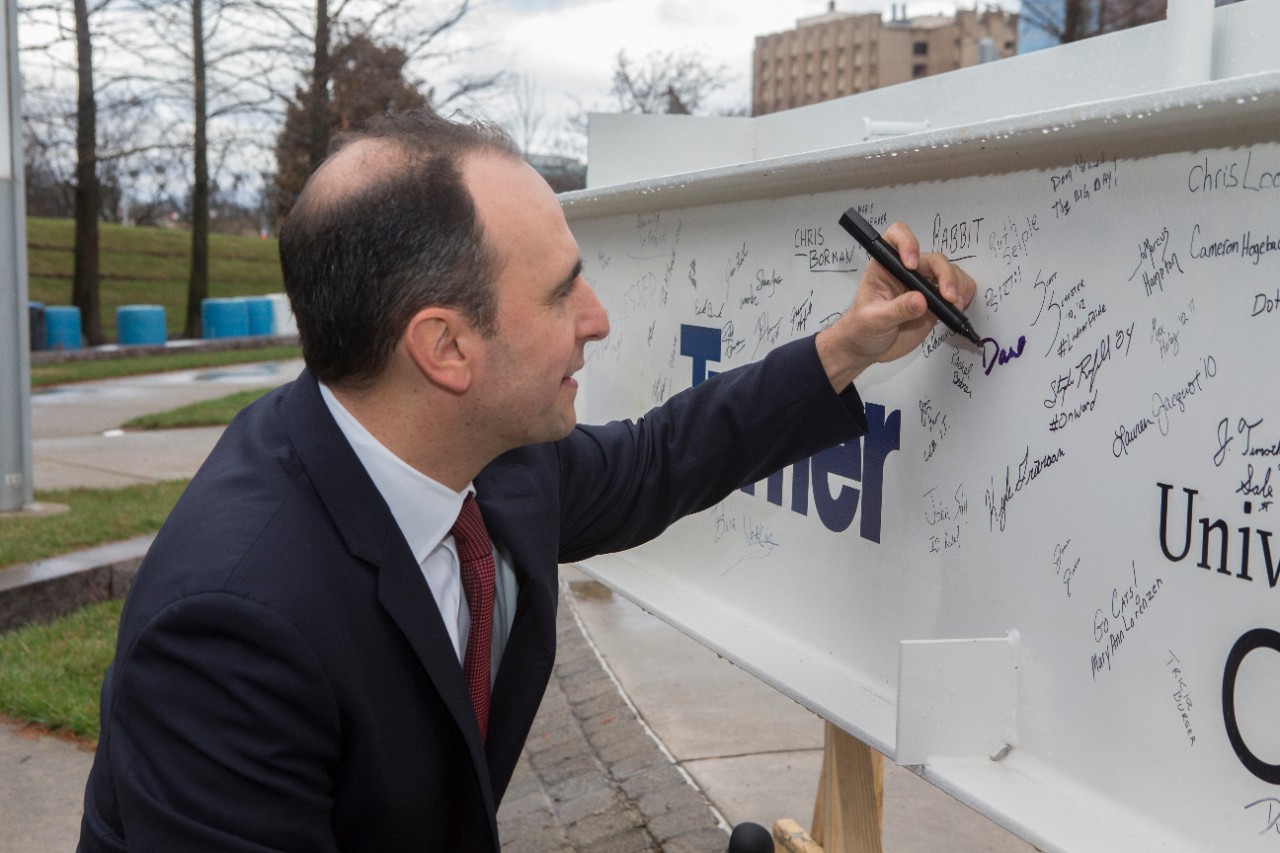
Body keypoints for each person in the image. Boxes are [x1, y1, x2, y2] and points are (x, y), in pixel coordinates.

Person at [78, 108, 976, 852]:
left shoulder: (483, 462)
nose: (598, 319)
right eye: (561, 293)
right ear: (446, 347)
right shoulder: (230, 632)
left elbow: (657, 460)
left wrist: (845, 349)